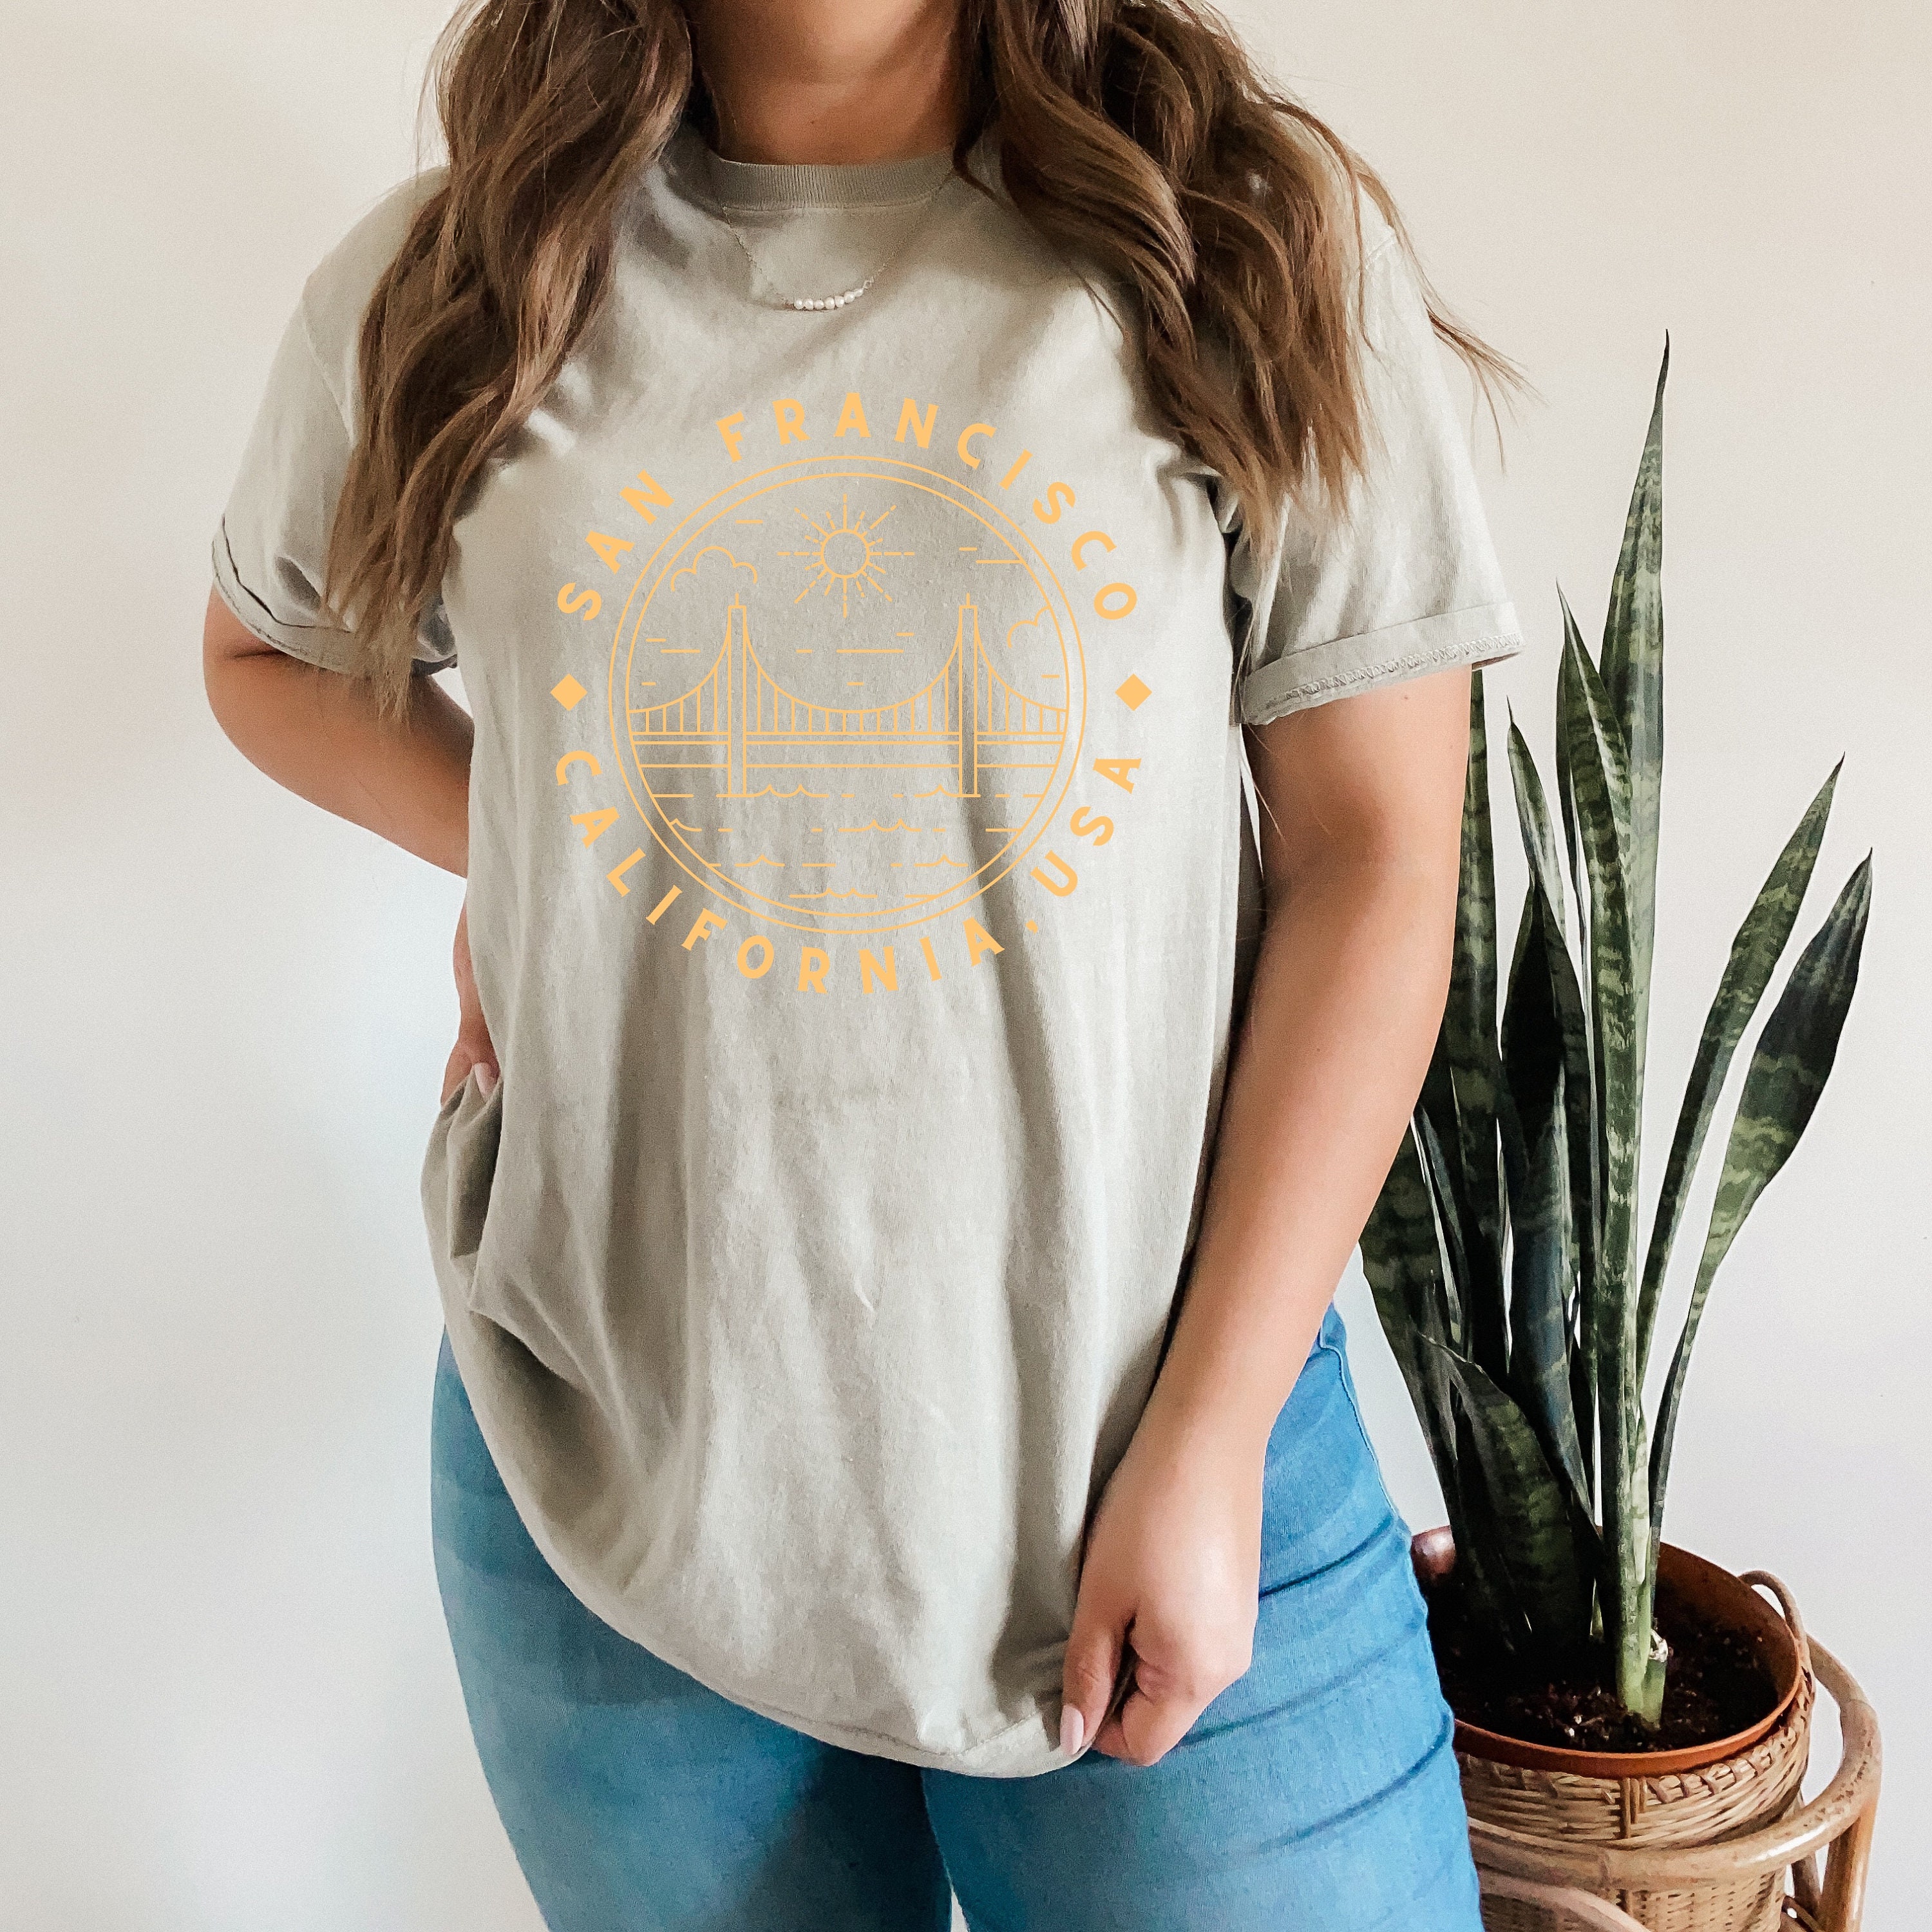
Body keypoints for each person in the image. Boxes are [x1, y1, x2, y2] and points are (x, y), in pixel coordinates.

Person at [202, 0, 1525, 1924]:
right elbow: (270, 660)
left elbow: (1377, 849)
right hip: (612, 1489)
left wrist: (1216, 1437)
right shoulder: (453, 283)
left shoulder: (1236, 234)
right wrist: (525, 840)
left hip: (1148, 1449)